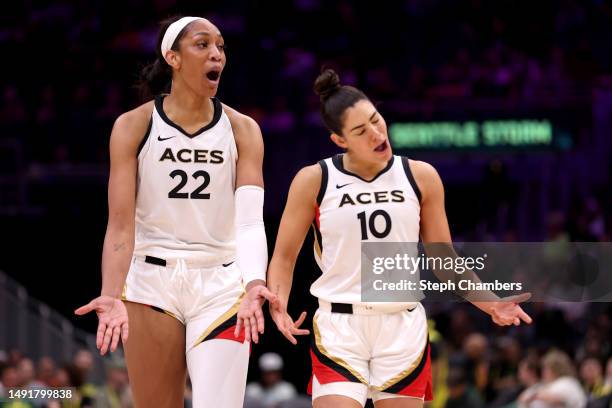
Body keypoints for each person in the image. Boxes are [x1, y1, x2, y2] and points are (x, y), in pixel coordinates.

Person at [267, 69, 532, 408]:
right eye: (361, 131)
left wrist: (490, 302)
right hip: (340, 326)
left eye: (377, 120)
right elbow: (284, 258)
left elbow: (444, 260)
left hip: (401, 326)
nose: (377, 133)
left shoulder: (420, 175)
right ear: (340, 140)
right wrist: (279, 304)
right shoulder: (314, 179)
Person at [75, 15, 276, 407]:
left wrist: (254, 283)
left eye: (220, 46)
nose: (216, 53)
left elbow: (250, 221)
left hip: (220, 282)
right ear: (173, 57)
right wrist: (111, 293)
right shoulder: (133, 126)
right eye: (203, 45)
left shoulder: (243, 129)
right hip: (152, 280)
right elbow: (119, 225)